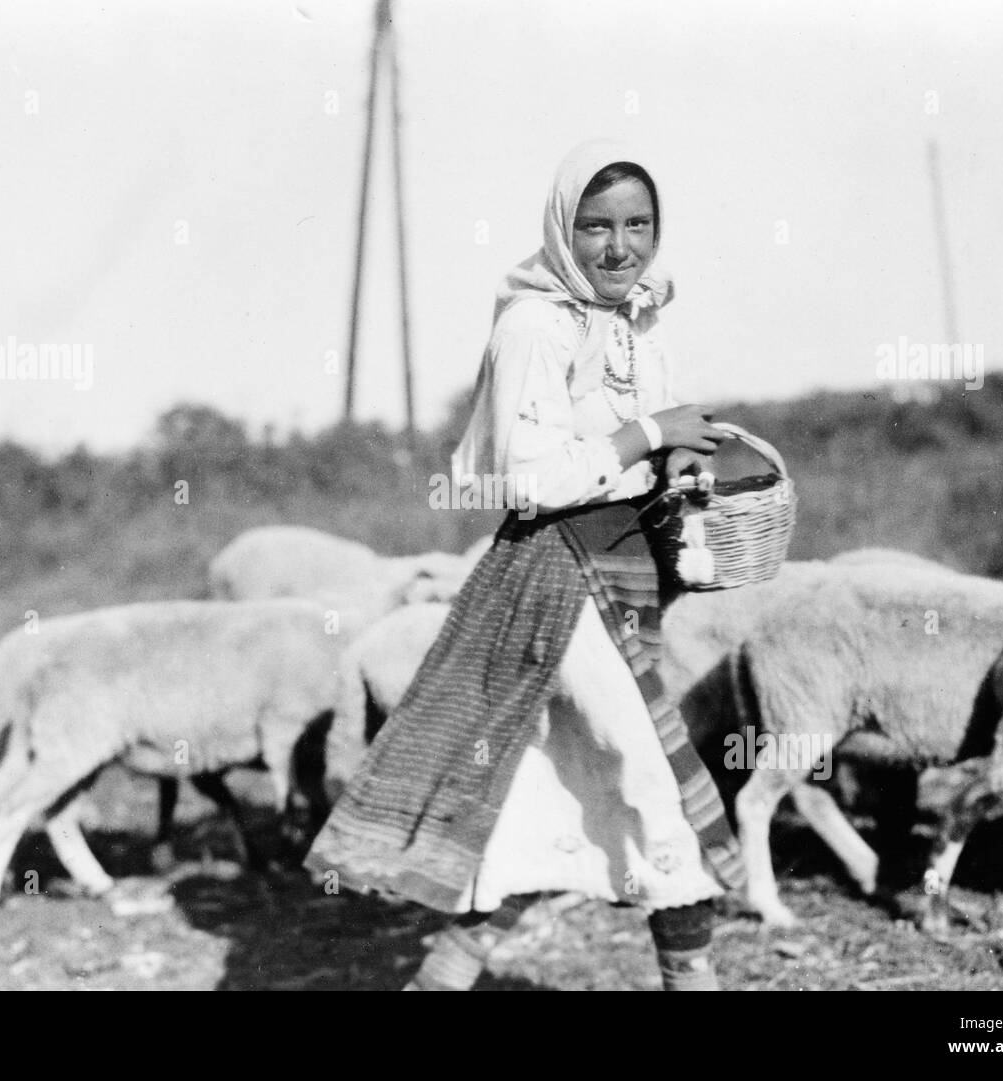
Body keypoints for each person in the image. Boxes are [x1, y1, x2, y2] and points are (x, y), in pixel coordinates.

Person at [305, 138, 746, 991]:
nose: (619, 247)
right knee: (659, 776)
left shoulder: (629, 326)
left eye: (638, 226)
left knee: (546, 787)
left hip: (620, 571)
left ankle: (443, 973)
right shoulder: (533, 326)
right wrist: (650, 435)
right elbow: (534, 478)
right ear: (561, 230)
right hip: (556, 575)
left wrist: (678, 464)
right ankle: (694, 981)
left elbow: (644, 441)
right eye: (597, 227)